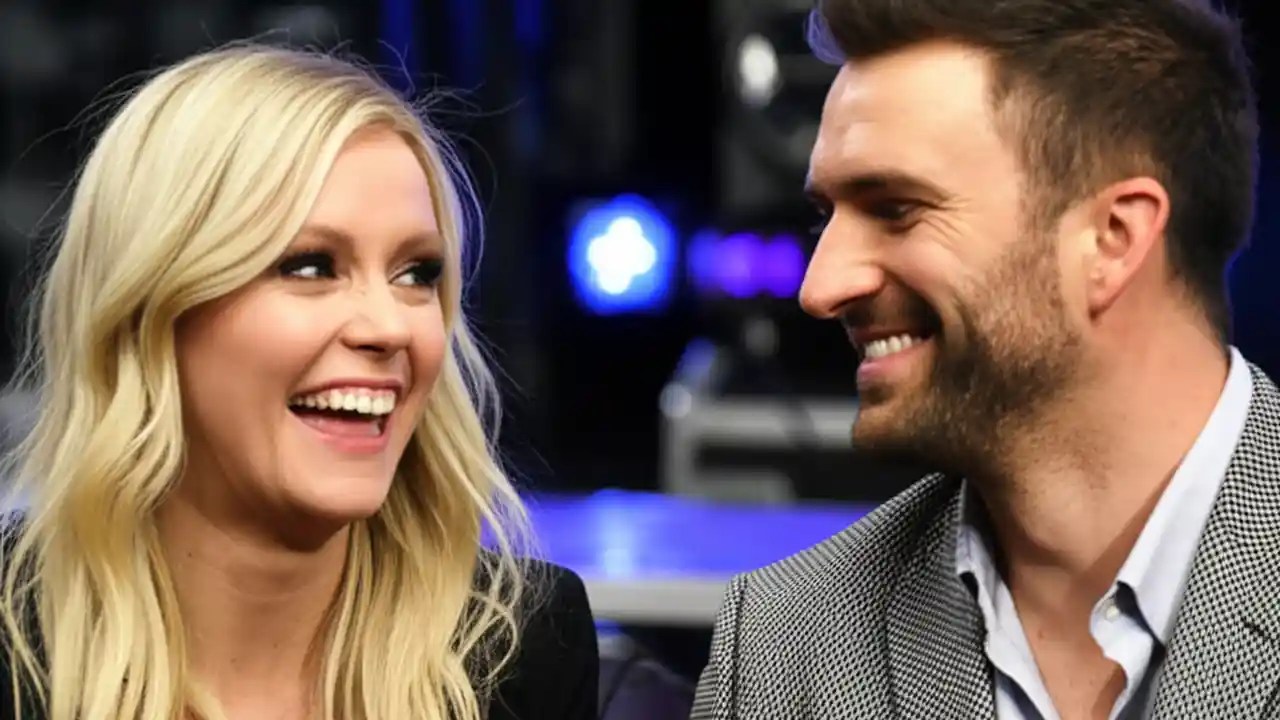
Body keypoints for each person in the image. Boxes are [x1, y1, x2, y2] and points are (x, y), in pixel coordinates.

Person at [693, 0, 1271, 718]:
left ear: (1113, 238)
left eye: (897, 209)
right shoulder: (786, 644)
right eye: (825, 216)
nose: (820, 287)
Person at [0, 45, 597, 720]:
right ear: (152, 310)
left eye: (417, 273)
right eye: (311, 266)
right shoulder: (12, 642)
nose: (389, 327)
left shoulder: (522, 651)